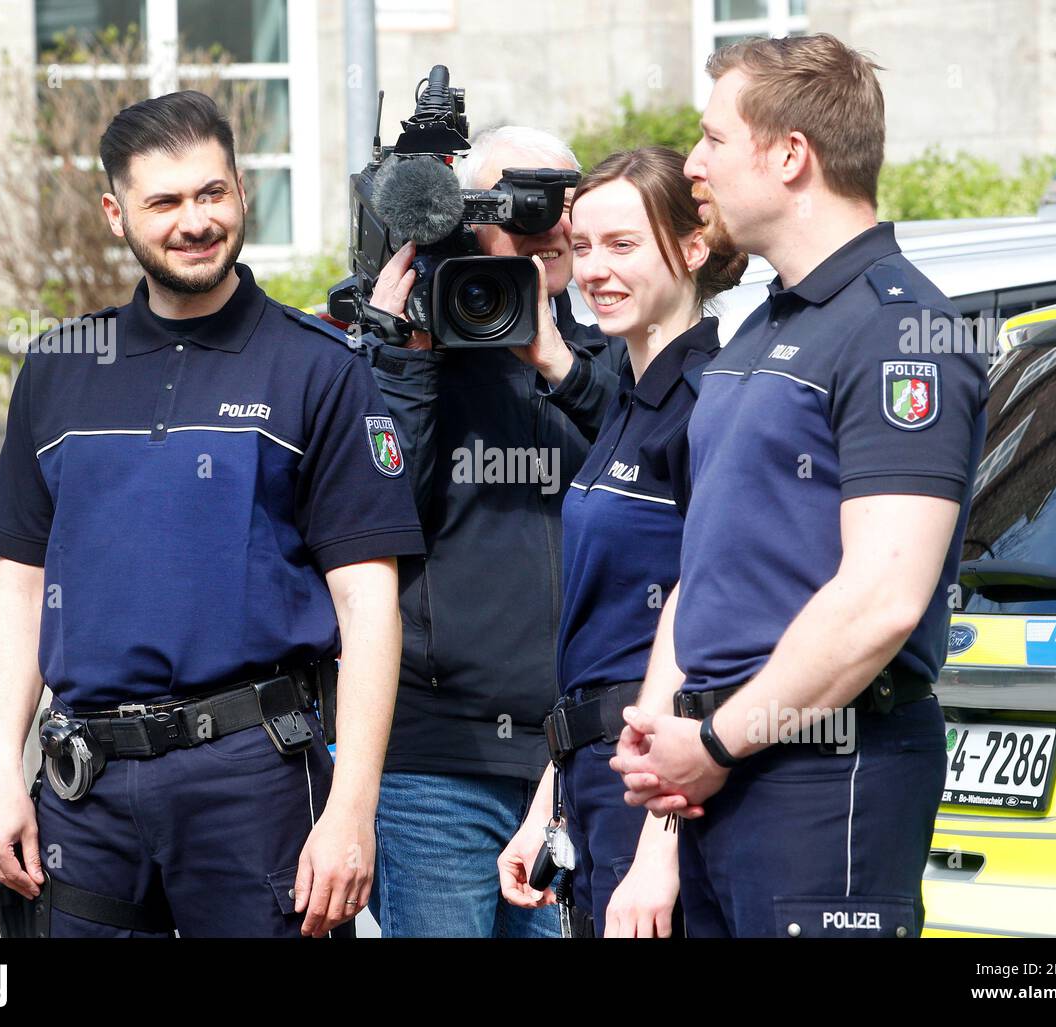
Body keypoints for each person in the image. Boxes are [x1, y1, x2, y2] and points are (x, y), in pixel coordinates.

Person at [0, 90, 425, 938]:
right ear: (116, 213)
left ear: (242, 191)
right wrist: (0, 763)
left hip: (254, 777)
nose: (195, 221)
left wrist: (353, 808)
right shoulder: (61, 367)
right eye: (165, 202)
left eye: (212, 193)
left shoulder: (319, 370)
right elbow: (22, 581)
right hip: (85, 787)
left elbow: (370, 605)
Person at [610, 34, 989, 939]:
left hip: (827, 776)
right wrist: (668, 752)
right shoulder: (753, 334)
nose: (692, 164)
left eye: (710, 139)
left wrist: (713, 742)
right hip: (717, 779)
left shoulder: (902, 333)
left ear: (790, 155)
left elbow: (882, 599)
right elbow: (703, 574)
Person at [361, 126, 626, 938]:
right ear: (466, 217)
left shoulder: (612, 355)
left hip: (575, 761)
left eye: (563, 203)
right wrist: (402, 359)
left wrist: (562, 369)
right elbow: (376, 512)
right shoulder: (413, 355)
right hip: (438, 766)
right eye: (519, 205)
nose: (547, 226)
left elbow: (657, 485)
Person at [495, 147, 745, 937]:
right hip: (597, 783)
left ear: (693, 248)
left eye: (625, 245)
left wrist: (660, 850)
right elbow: (599, 649)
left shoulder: (712, 402)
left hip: (665, 794)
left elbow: (712, 627)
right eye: (585, 246)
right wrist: (547, 804)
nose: (597, 269)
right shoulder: (631, 404)